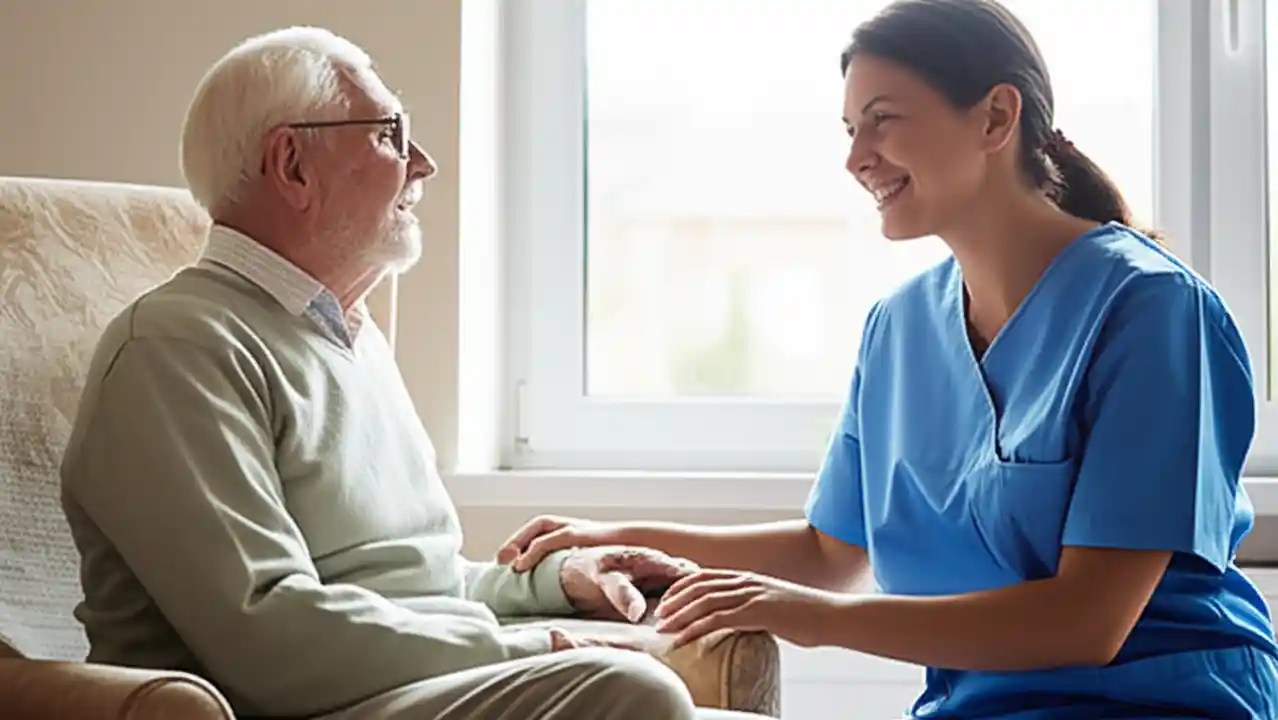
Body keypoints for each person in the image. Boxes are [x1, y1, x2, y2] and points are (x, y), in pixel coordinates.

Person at [497, 0, 1278, 717]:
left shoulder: (1153, 314)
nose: (857, 160)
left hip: (1162, 702)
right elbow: (830, 551)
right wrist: (619, 536)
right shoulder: (899, 328)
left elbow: (1089, 620)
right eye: (849, 131)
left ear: (995, 117)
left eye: (883, 121)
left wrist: (814, 618)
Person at [59, 26, 762, 720]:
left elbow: (419, 587)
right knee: (634, 690)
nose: (422, 162)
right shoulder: (176, 346)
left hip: (387, 691)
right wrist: (531, 647)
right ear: (293, 166)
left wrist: (561, 582)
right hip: (281, 704)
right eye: (388, 134)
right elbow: (267, 632)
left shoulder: (352, 341)